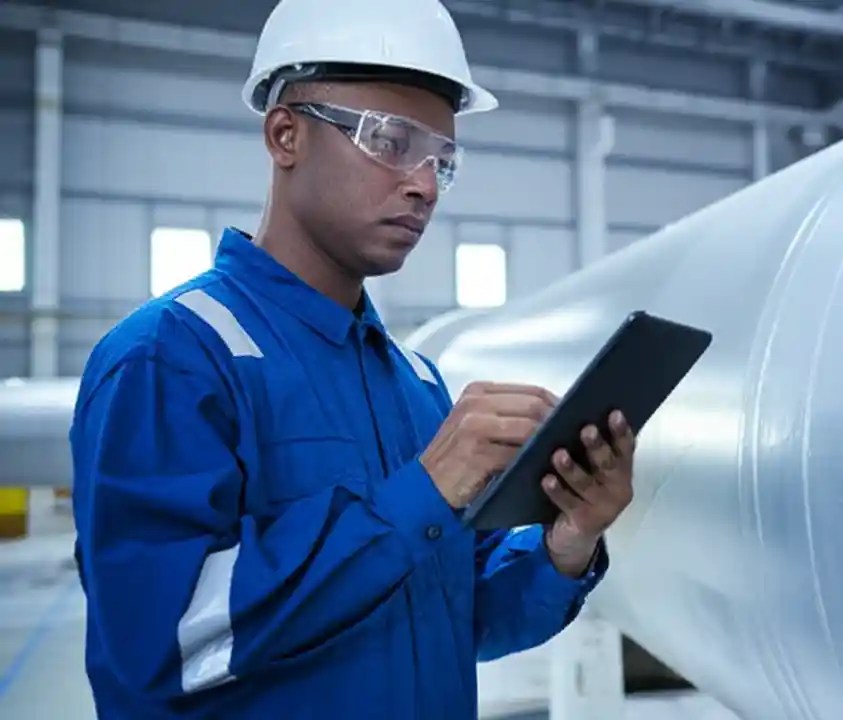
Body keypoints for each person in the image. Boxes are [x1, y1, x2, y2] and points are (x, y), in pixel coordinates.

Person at [67, 0, 635, 717]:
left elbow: (463, 616)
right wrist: (422, 493)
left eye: (442, 161)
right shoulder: (172, 357)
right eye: (391, 141)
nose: (424, 185)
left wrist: (566, 545)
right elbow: (162, 643)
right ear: (285, 135)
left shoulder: (417, 384)